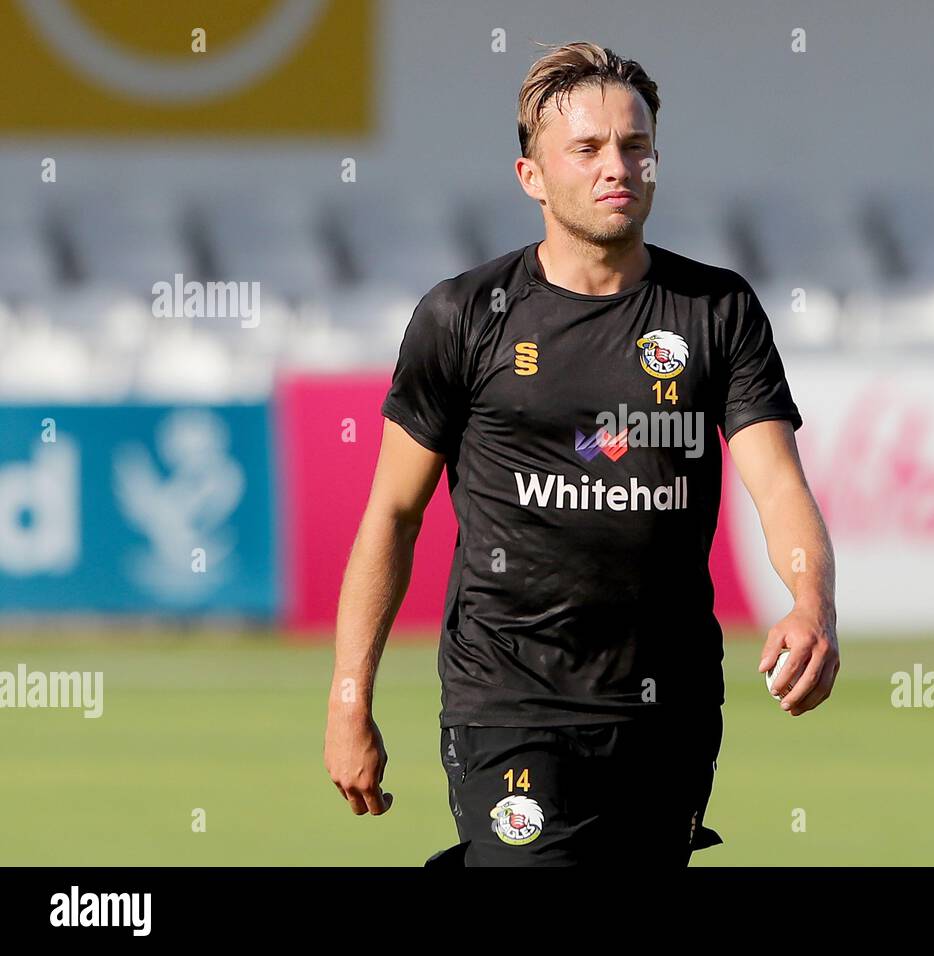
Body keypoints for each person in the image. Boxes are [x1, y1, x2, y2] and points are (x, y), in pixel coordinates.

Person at [324, 41, 838, 866]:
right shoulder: (463, 317)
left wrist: (812, 602)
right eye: (589, 149)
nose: (618, 167)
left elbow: (777, 484)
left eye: (636, 147)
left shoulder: (717, 310)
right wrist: (351, 699)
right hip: (511, 697)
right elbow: (392, 512)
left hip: (668, 706)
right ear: (531, 176)